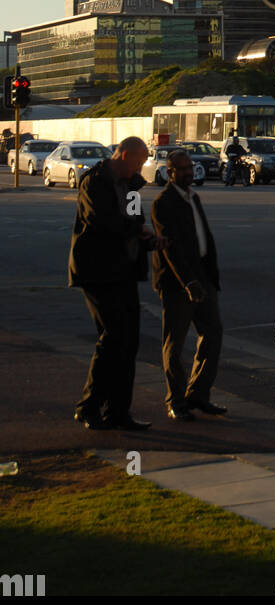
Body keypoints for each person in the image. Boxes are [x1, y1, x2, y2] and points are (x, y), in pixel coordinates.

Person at [68, 137, 155, 431]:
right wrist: (138, 230)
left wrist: (149, 240)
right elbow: (101, 222)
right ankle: (89, 406)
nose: (140, 168)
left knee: (128, 341)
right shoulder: (95, 182)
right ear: (125, 155)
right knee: (113, 336)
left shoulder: (130, 186)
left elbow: (134, 221)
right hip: (99, 271)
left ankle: (118, 411)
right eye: (139, 161)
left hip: (124, 270)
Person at [151, 149, 225, 421]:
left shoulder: (193, 197)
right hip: (178, 282)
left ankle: (199, 395)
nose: (188, 173)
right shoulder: (163, 202)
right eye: (182, 169)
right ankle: (176, 401)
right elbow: (171, 248)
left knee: (213, 334)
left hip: (203, 276)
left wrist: (209, 276)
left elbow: (202, 237)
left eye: (189, 168)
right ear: (170, 172)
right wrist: (189, 282)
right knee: (175, 343)